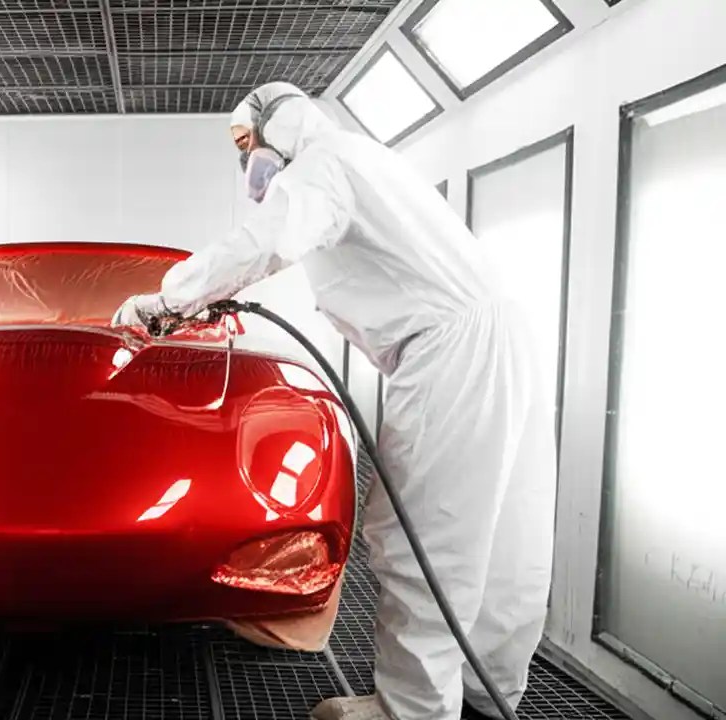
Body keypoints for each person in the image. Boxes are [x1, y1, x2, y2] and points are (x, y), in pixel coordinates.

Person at [112, 82, 556, 720]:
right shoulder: (367, 160)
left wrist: (167, 299)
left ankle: (413, 710)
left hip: (447, 353)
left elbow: (262, 242)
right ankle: (490, 689)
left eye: (247, 146)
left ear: (280, 127)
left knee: (421, 537)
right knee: (501, 531)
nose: (247, 165)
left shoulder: (328, 164)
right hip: (500, 336)